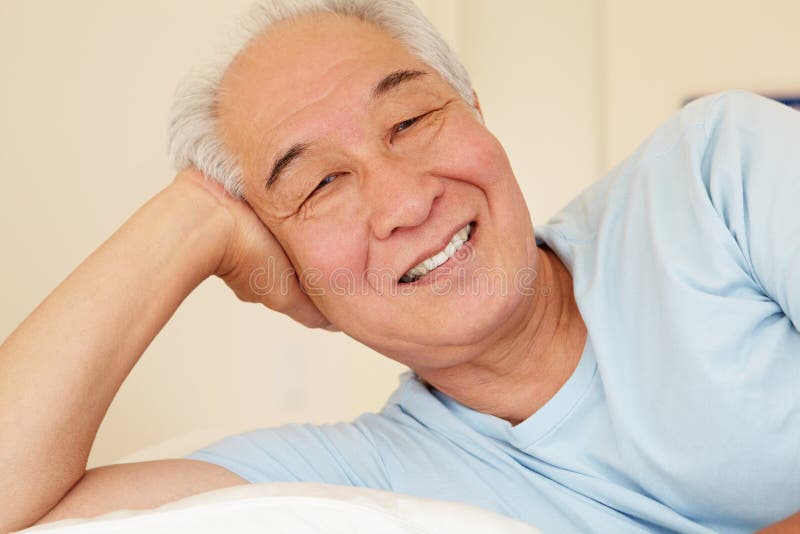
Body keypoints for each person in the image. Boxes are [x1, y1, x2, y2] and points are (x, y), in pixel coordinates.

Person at [0, 0, 798, 532]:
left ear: (477, 114)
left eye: (411, 119)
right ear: (285, 264)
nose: (405, 203)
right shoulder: (361, 471)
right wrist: (190, 223)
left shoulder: (715, 173)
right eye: (319, 186)